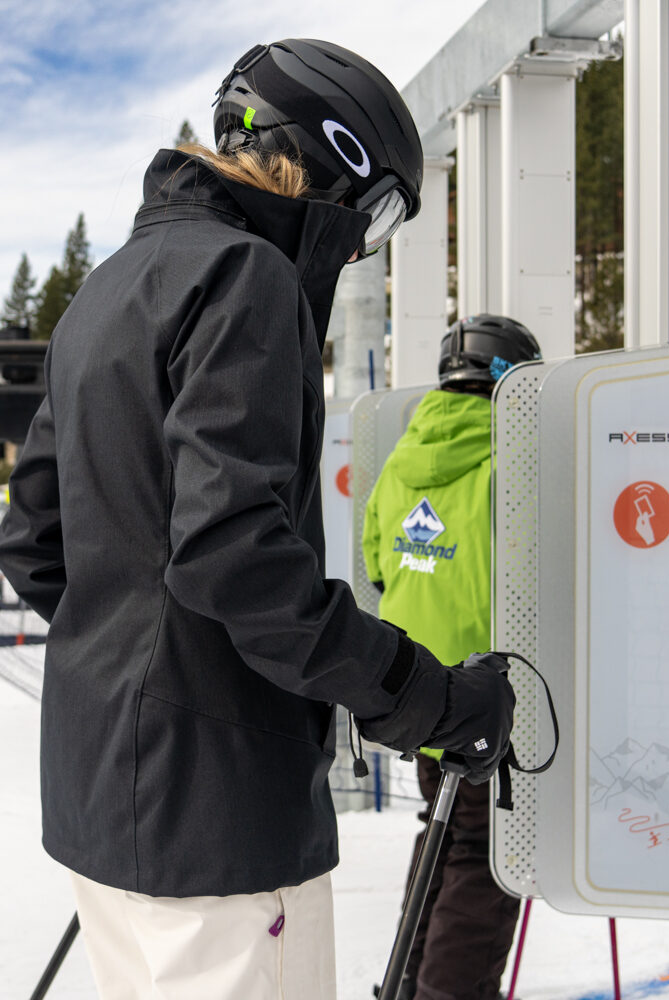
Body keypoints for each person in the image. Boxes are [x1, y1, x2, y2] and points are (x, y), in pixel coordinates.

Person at [0, 40, 515, 1000]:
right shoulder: (249, 278)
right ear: (330, 163)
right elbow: (239, 558)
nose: (364, 241)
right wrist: (425, 698)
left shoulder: (107, 289)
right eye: (378, 210)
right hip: (221, 822)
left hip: (103, 805)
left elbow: (35, 536)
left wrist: (138, 665)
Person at [363, 314, 542, 1000]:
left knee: (440, 835)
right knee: (482, 851)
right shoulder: (512, 464)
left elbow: (381, 565)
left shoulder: (402, 461)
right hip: (488, 700)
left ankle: (409, 984)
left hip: (418, 693)